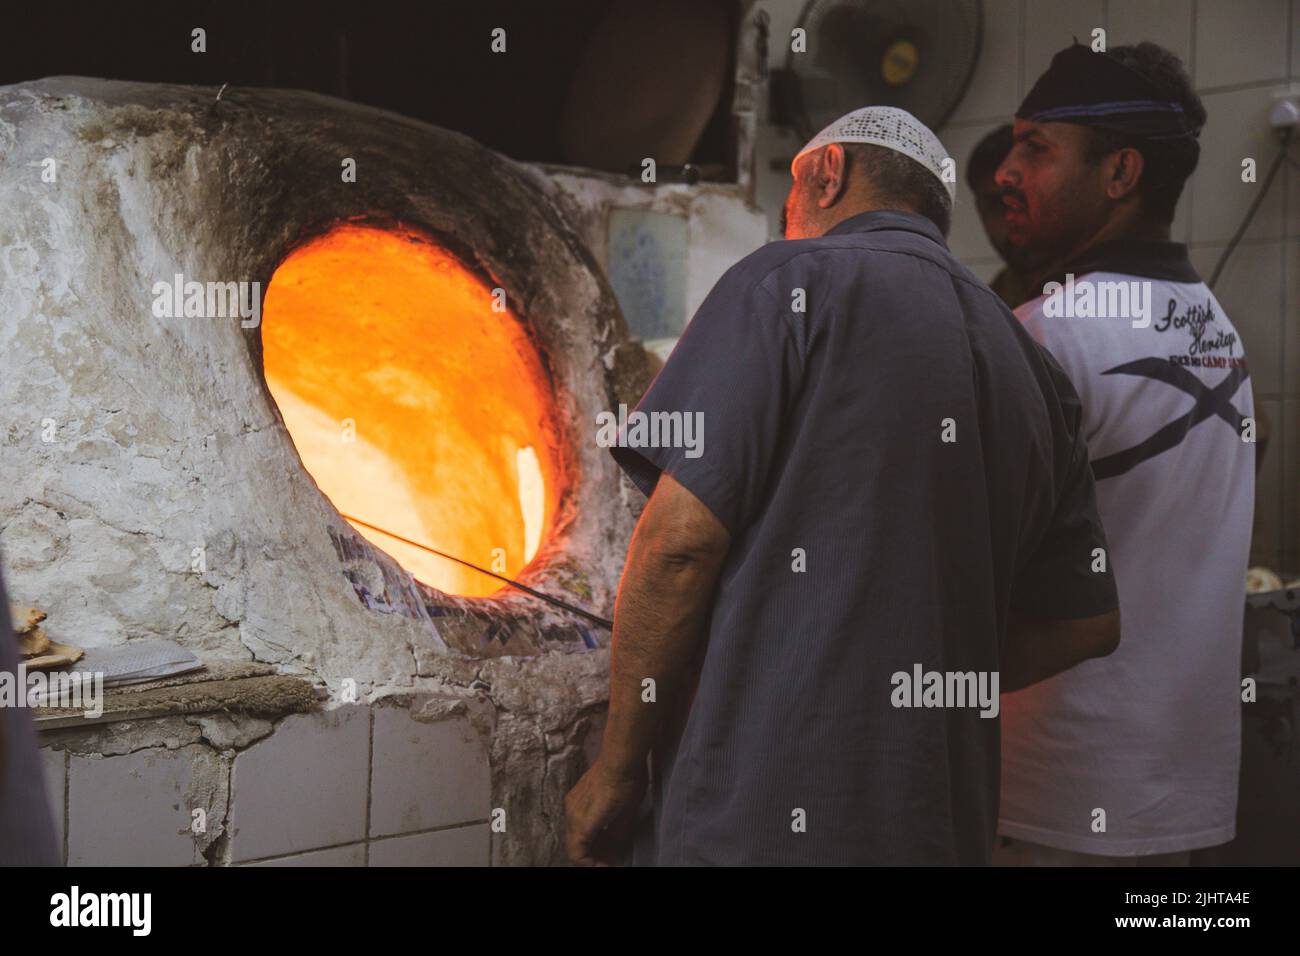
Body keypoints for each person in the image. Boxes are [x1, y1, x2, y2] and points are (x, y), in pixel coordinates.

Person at [564, 106, 1121, 866]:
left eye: (792, 192)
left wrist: (616, 770)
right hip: (941, 827)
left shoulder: (784, 282)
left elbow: (679, 546)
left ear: (826, 174)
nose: (789, 216)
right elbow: (1085, 624)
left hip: (756, 820)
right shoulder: (1028, 360)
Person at [993, 41, 1254, 865]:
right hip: (1176, 789)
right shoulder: (1219, 329)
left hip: (1055, 794)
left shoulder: (1050, 331)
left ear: (1120, 172)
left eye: (1036, 146)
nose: (1005, 171)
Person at [965, 124, 1049, 309]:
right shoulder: (983, 311)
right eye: (996, 204)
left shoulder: (1108, 293)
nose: (1012, 217)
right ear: (980, 210)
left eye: (1022, 198)